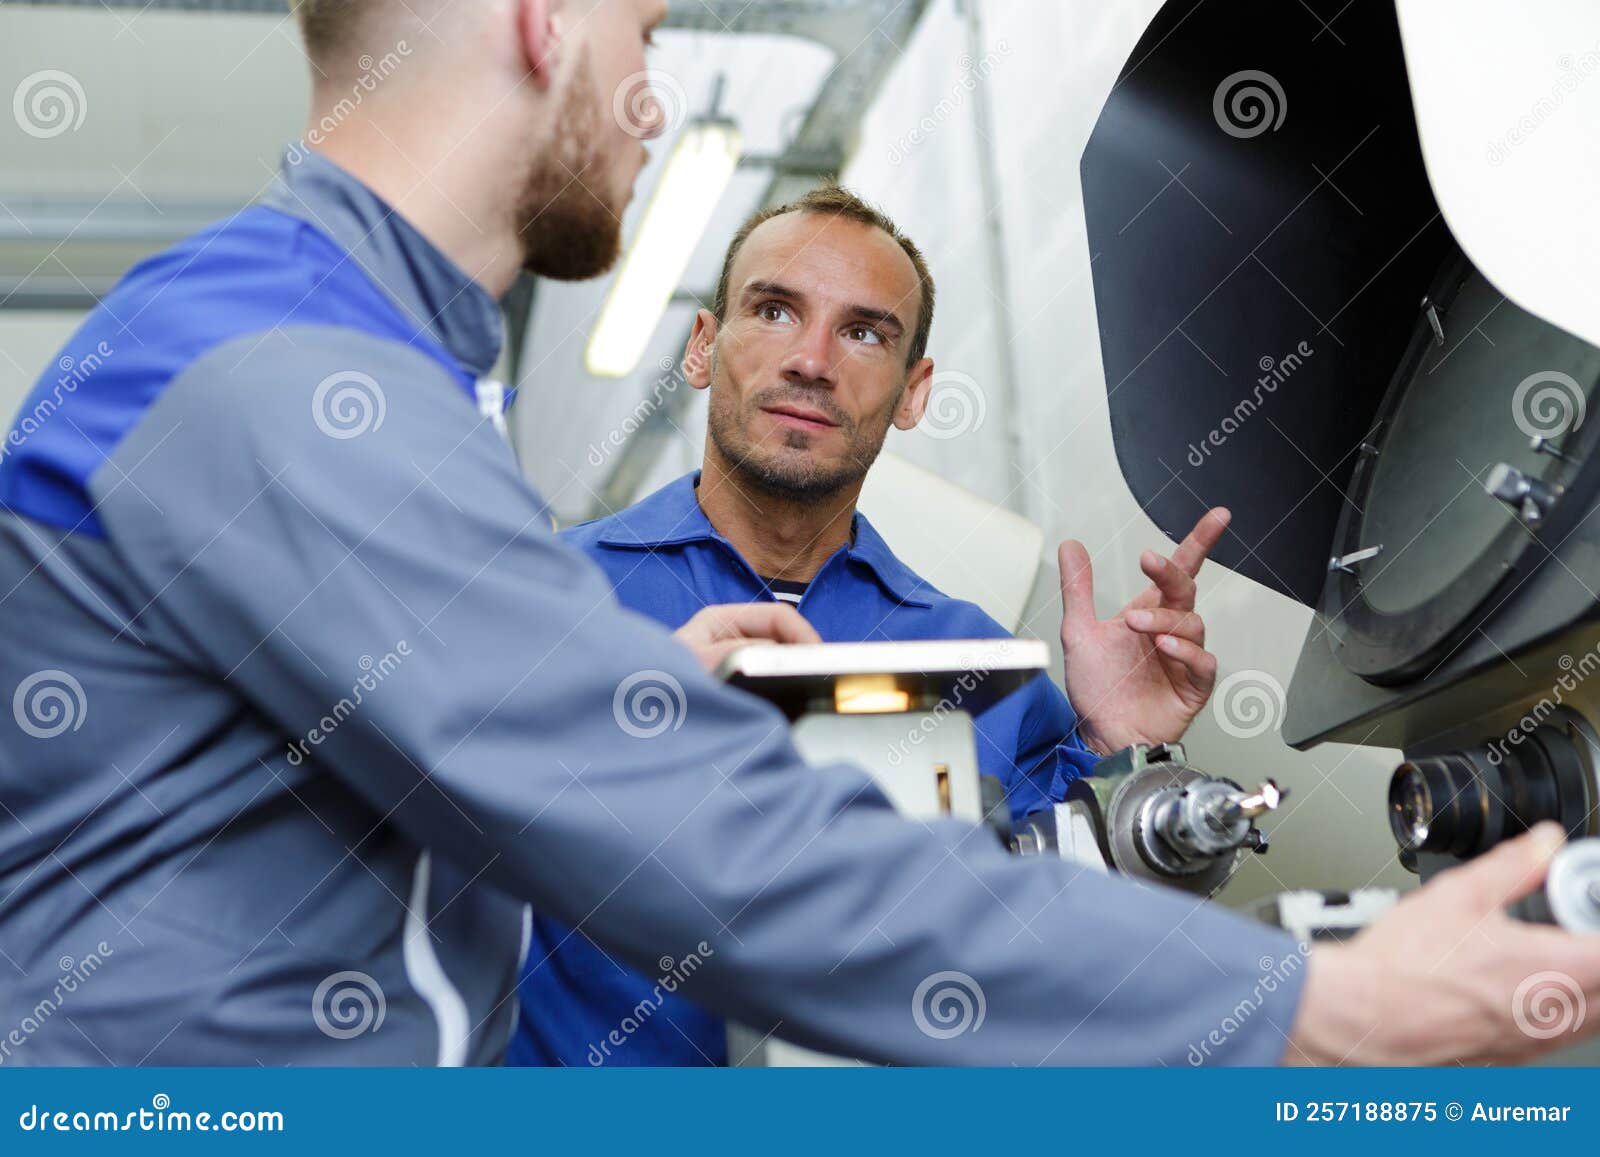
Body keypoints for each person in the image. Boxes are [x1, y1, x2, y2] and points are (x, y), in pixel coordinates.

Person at [0, 0, 1596, 1069]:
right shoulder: (294, 376)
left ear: (914, 389)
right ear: (545, 21)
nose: (650, 91)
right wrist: (1314, 1000)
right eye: (644, 25)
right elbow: (718, 851)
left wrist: (1068, 748)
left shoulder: (337, 362)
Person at [511, 186, 1229, 1066]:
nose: (812, 361)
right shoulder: (545, 596)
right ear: (703, 346)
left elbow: (1078, 955)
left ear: (913, 391)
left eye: (864, 333)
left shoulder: (973, 662)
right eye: (774, 310)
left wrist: (1115, 746)